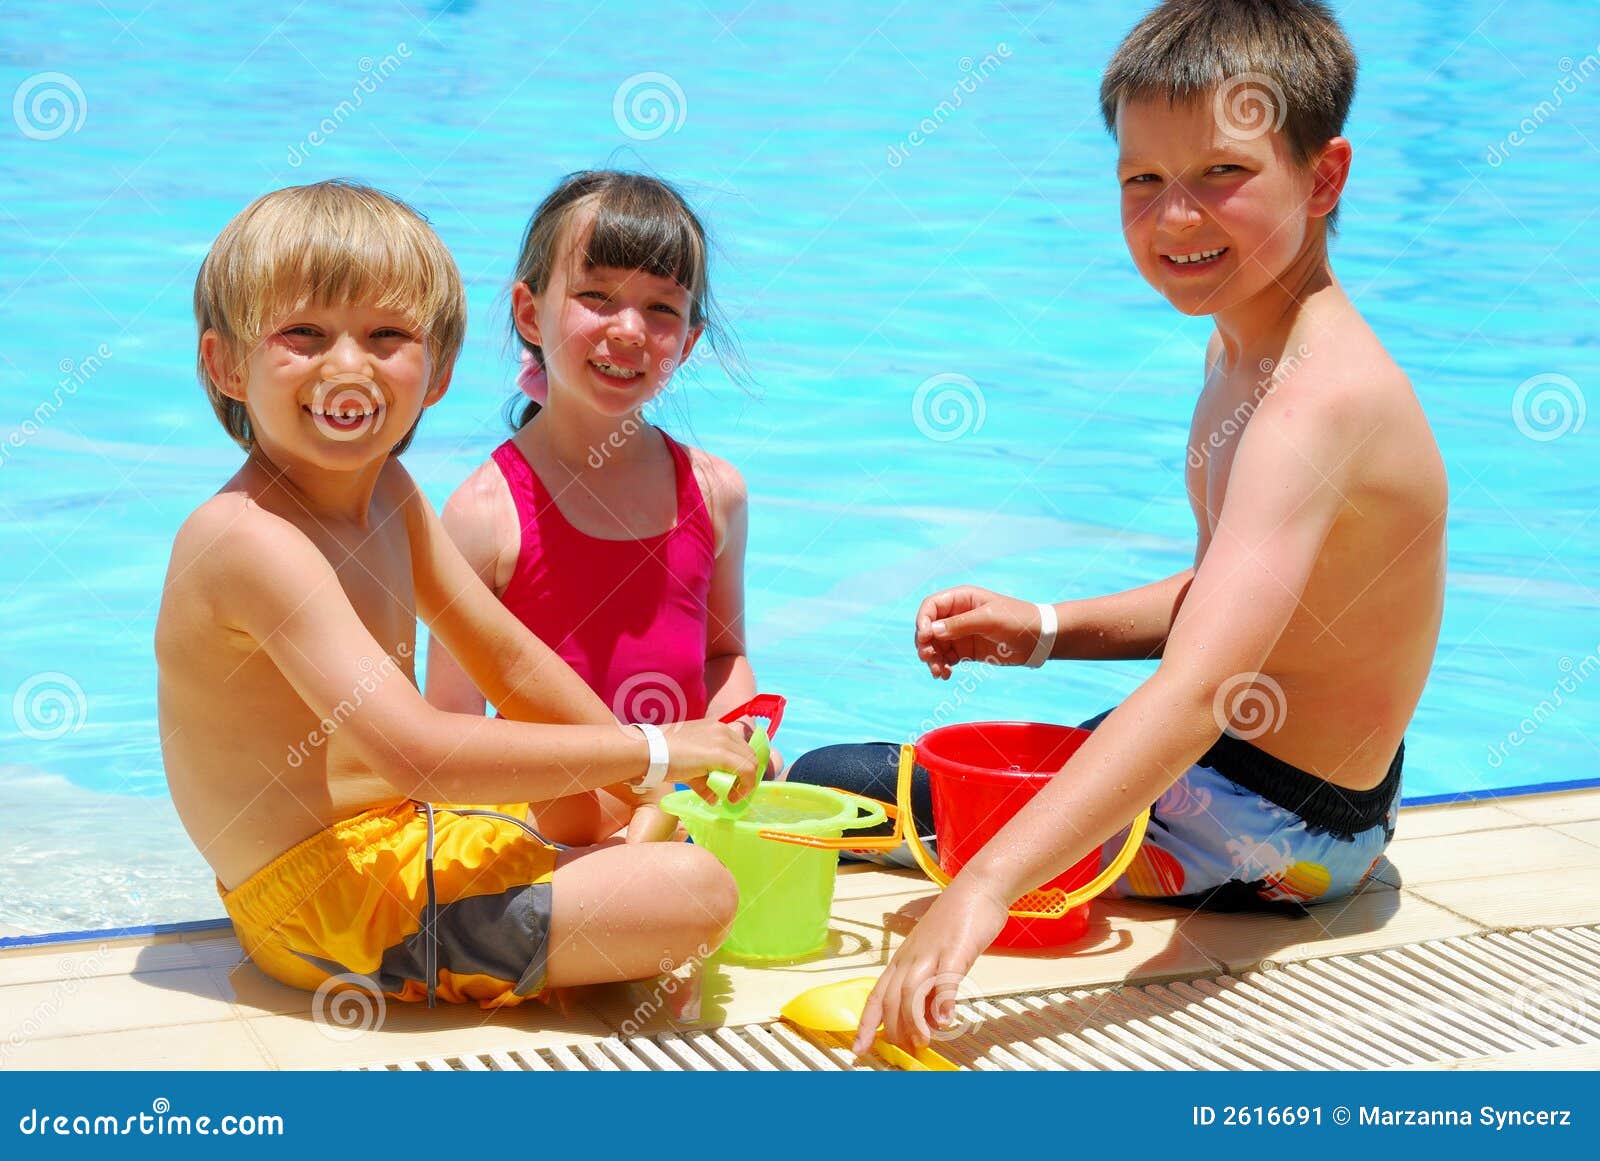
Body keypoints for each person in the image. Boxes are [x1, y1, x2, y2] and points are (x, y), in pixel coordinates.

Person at [851, 0, 1448, 1053]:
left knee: (851, 792)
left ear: (1322, 179)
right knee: (943, 772)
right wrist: (1046, 628)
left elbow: (1204, 686)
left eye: (1221, 175)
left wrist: (982, 892)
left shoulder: (1318, 401)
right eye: (1142, 181)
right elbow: (1243, 600)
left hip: (1275, 830)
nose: (1176, 219)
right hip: (1282, 795)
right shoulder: (1247, 348)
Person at [157, 179, 756, 1010]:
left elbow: (507, 654)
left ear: (433, 372)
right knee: (695, 889)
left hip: (397, 838)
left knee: (601, 813)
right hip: (319, 904)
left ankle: (576, 903)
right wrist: (654, 753)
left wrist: (630, 791)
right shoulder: (246, 538)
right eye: (304, 333)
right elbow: (418, 753)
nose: (347, 367)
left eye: (386, 335)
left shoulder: (390, 494)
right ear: (224, 364)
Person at [425, 170, 778, 846]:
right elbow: (452, 741)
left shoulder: (715, 494)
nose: (629, 330)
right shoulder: (484, 515)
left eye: (661, 309)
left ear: (689, 342)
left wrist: (740, 734)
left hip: (682, 821)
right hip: (548, 836)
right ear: (530, 313)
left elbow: (723, 656)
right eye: (595, 297)